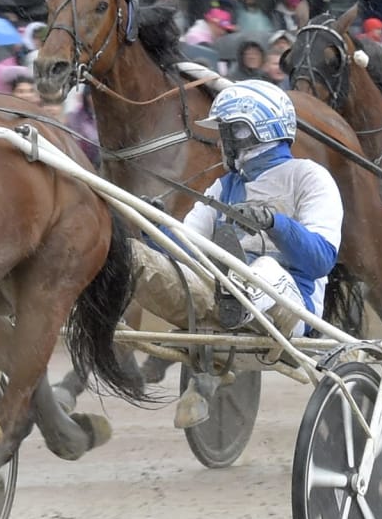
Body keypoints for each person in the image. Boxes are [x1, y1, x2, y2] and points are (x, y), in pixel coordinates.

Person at [127, 81, 343, 427]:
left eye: (231, 132)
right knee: (132, 255)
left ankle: (229, 315)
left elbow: (320, 260)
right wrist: (157, 230)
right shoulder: (224, 186)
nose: (222, 142)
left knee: (266, 265)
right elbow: (190, 249)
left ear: (258, 131)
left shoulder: (310, 178)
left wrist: (275, 223)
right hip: (221, 294)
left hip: (294, 306)